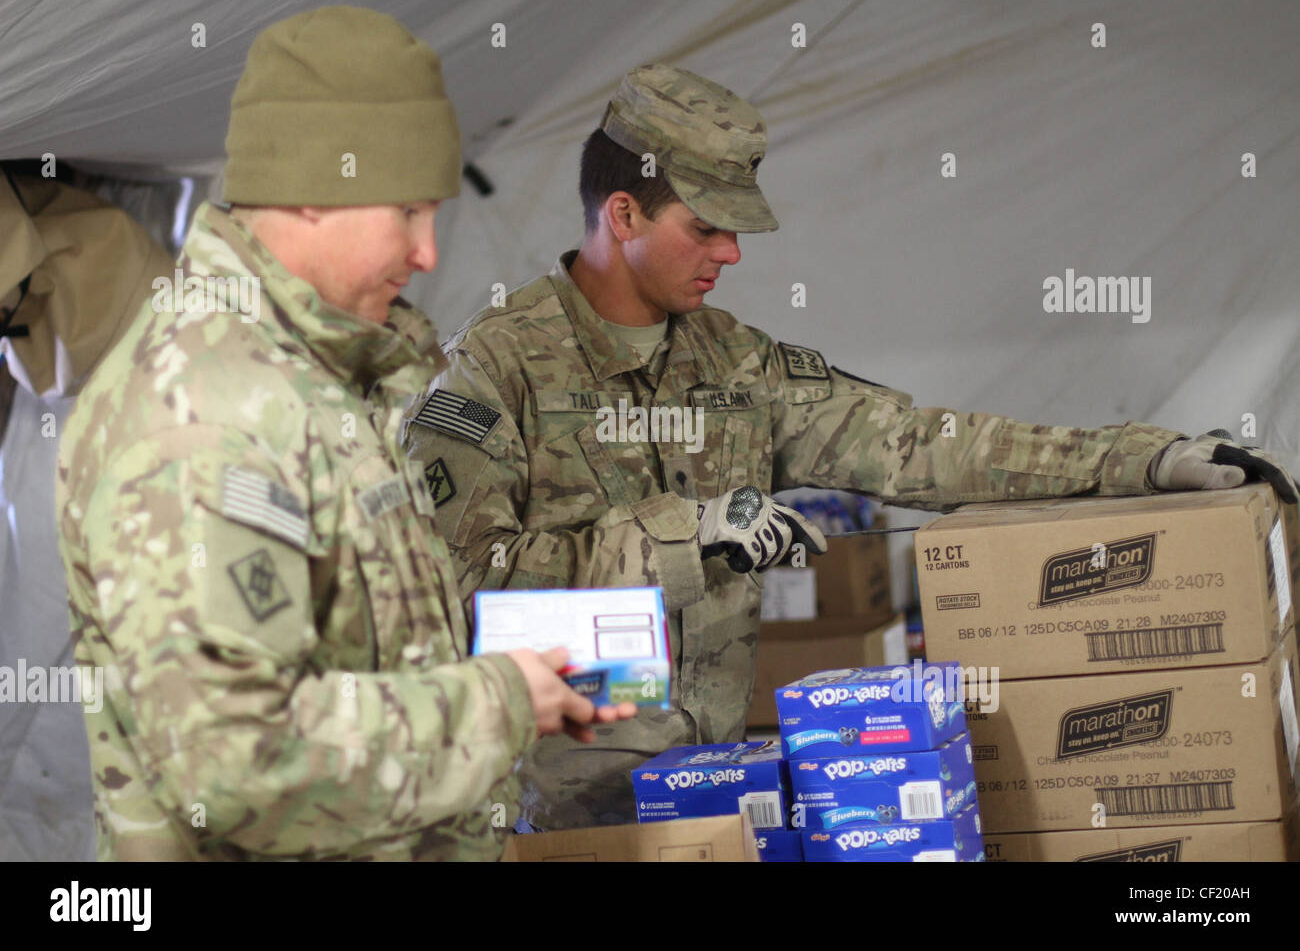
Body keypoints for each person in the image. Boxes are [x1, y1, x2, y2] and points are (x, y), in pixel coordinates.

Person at [403, 64, 1298, 831]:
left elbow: (925, 446)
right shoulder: (496, 371)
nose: (731, 254)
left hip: (712, 790)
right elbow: (455, 588)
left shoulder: (733, 363)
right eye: (706, 228)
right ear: (626, 214)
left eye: (737, 231)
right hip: (553, 815)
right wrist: (691, 535)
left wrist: (1144, 459)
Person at [56, 6, 631, 862]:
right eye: (408, 212)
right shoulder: (201, 416)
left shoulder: (301, 377)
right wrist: (499, 702)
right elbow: (236, 763)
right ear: (313, 191)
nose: (430, 252)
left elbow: (342, 643)